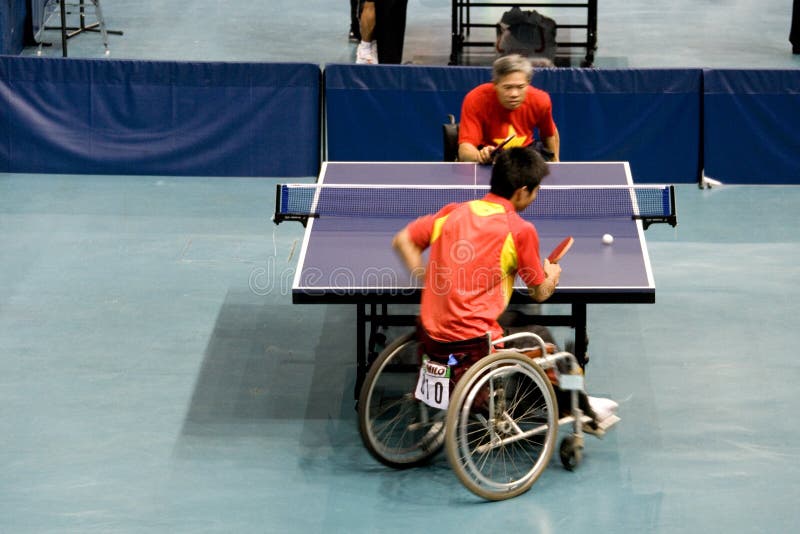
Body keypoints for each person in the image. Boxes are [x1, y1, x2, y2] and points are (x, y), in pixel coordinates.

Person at [393, 147, 616, 430]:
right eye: (535, 191)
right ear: (522, 191)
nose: (535, 197)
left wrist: (430, 283)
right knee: (540, 337)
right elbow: (539, 292)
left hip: (431, 330)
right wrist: (552, 275)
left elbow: (403, 240)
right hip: (472, 343)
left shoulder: (454, 212)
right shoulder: (520, 231)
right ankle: (573, 407)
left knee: (518, 322)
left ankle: (558, 400)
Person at [458, 54, 560, 164]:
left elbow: (550, 134)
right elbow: (465, 151)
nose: (514, 94)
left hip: (525, 155)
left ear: (528, 84)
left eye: (520, 87)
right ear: (495, 84)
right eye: (507, 87)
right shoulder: (476, 99)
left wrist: (556, 163)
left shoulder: (540, 100)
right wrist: (480, 155)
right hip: (489, 155)